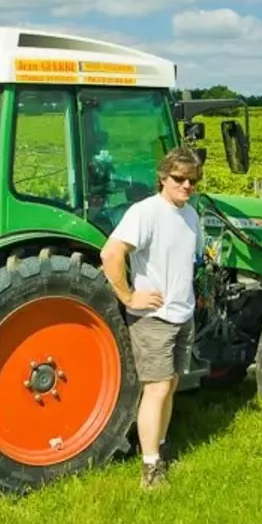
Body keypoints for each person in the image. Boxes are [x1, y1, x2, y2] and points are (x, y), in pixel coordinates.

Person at [101, 145, 203, 490]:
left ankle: (159, 446)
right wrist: (129, 296)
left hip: (182, 313)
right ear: (163, 177)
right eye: (179, 179)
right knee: (157, 387)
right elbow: (111, 252)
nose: (186, 186)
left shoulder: (191, 216)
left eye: (193, 180)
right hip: (154, 317)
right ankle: (150, 469)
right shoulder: (145, 212)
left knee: (171, 383)